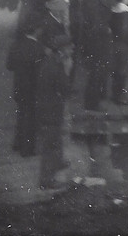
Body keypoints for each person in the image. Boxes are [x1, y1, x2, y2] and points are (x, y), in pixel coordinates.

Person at [35, 31, 73, 188]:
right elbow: (65, 88)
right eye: (70, 47)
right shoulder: (56, 66)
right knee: (50, 143)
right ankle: (46, 180)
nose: (73, 49)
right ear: (62, 50)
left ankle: (57, 163)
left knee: (55, 139)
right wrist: (67, 71)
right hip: (50, 110)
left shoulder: (50, 61)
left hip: (47, 107)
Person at [6, 17, 46, 156]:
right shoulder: (38, 48)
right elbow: (41, 72)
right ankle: (27, 149)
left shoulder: (15, 45)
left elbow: (9, 66)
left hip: (19, 86)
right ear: (36, 31)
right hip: (33, 89)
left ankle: (18, 143)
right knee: (31, 119)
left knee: (21, 115)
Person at [79, 0, 116, 111]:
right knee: (95, 72)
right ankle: (92, 104)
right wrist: (106, 28)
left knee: (100, 71)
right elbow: (96, 22)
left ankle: (98, 99)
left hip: (99, 40)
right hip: (96, 41)